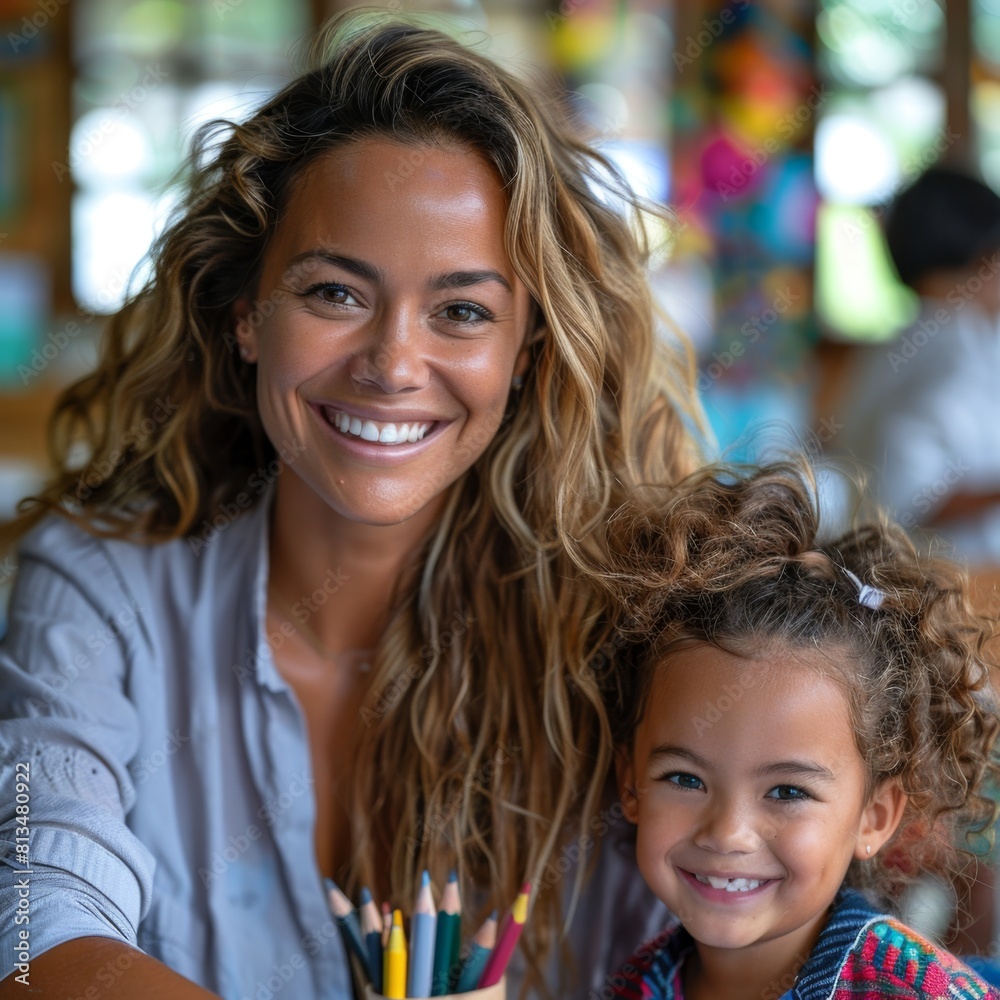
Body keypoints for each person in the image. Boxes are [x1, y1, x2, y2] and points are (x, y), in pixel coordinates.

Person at [0, 12, 701, 1000]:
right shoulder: (100, 590)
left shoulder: (631, 621)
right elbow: (35, 934)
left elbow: (754, 930)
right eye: (336, 293)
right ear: (247, 315)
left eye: (461, 310)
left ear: (525, 351)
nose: (390, 365)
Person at [604, 462, 1000, 1000]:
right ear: (630, 783)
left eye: (788, 791)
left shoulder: (915, 990)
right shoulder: (634, 985)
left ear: (875, 816)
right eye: (685, 779)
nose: (728, 832)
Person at [835, 166, 1000, 563]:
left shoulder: (896, 341)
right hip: (942, 592)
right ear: (986, 259)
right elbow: (906, 495)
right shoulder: (956, 348)